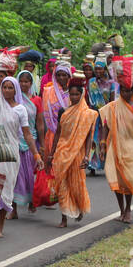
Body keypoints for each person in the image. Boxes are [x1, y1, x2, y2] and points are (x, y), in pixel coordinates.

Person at [0, 77, 40, 238]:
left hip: (11, 154)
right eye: (5, 87)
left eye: (11, 88)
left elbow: (27, 134)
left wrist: (36, 155)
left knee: (6, 189)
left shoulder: (20, 110)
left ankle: (0, 226)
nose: (7, 91)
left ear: (16, 90)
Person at [48, 77, 97, 227]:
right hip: (62, 151)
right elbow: (58, 133)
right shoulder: (64, 111)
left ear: (81, 95)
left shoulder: (88, 114)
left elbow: (89, 137)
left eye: (76, 94)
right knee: (62, 183)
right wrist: (52, 152)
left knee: (76, 184)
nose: (74, 97)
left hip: (78, 153)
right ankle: (63, 218)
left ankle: (80, 208)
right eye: (71, 94)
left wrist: (87, 156)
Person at [97, 72, 133, 223]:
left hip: (130, 148)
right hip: (113, 146)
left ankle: (128, 209)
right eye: (123, 90)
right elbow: (105, 127)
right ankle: (121, 209)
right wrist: (102, 146)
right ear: (119, 91)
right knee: (115, 178)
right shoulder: (113, 107)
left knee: (128, 178)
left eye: (129, 90)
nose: (126, 93)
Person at [14, 70, 45, 213]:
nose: (23, 84)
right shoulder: (13, 100)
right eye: (21, 81)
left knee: (30, 174)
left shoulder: (37, 100)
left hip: (31, 140)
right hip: (15, 140)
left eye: (26, 81)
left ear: (31, 83)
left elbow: (39, 124)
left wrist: (43, 145)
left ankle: (32, 200)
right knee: (15, 174)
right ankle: (12, 208)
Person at [86, 59, 114, 175]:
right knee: (93, 137)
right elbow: (88, 97)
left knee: (105, 138)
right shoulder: (91, 81)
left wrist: (110, 112)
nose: (97, 71)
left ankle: (104, 162)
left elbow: (112, 99)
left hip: (105, 113)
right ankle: (92, 165)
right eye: (96, 69)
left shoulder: (110, 83)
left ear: (104, 70)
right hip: (93, 113)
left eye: (100, 68)